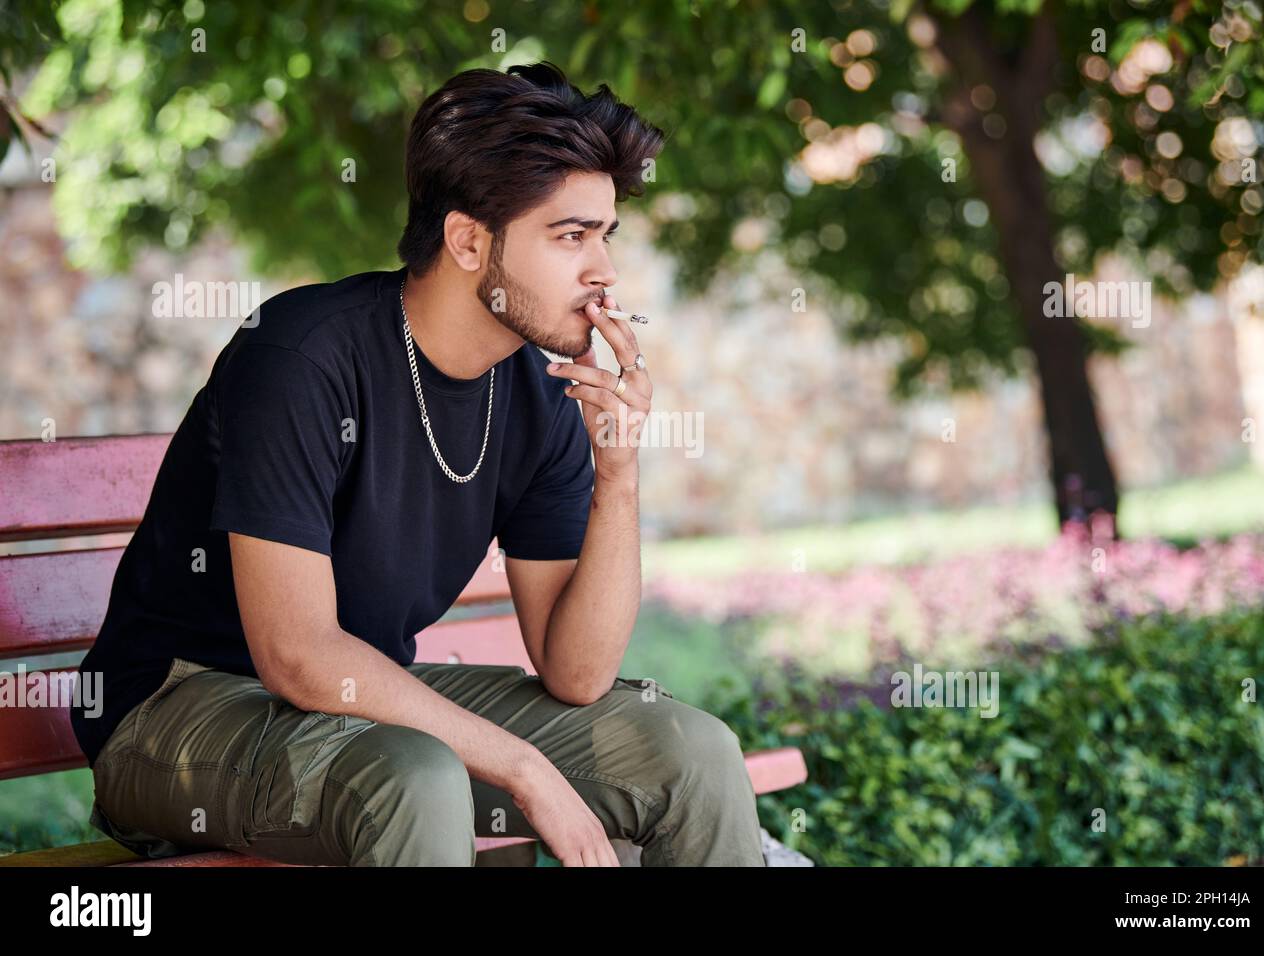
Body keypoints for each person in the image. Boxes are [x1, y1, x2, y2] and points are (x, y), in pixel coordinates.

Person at [71, 61, 766, 867]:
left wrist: (618, 475)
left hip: (362, 709)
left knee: (689, 751)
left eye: (605, 234)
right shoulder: (300, 355)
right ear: (469, 239)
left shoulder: (542, 395)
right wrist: (522, 767)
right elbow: (297, 654)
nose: (603, 268)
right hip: (178, 709)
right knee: (414, 775)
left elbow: (577, 674)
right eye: (570, 235)